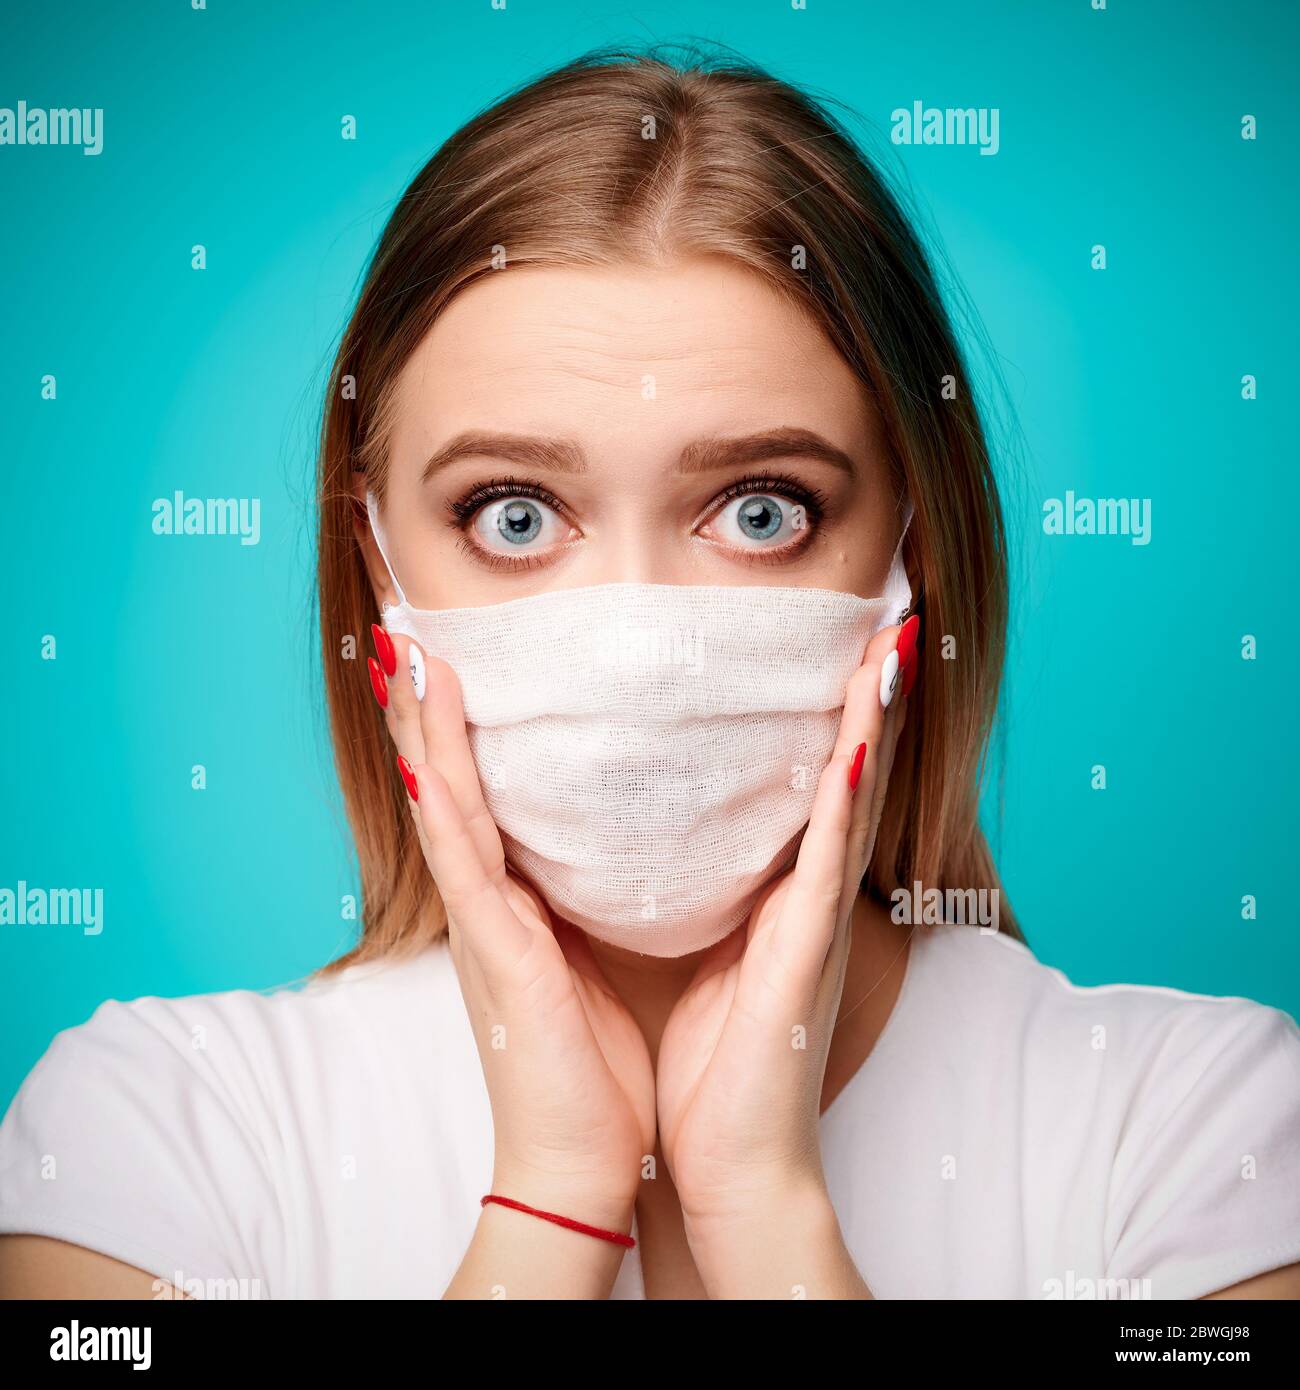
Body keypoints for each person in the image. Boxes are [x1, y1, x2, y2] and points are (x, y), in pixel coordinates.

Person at [2, 45, 1298, 1301]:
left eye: (760, 509)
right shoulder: (148, 1141)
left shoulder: (1204, 1136)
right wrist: (550, 1203)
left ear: (918, 558)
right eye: (513, 514)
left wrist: (763, 1213)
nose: (639, 633)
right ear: (378, 571)